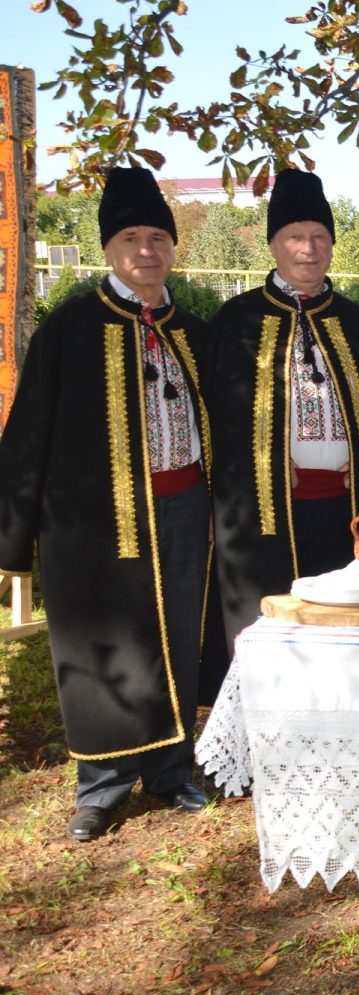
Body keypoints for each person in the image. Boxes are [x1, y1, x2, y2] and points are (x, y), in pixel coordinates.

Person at [0, 168, 216, 839]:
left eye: (158, 237)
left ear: (173, 248)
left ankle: (171, 770)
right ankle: (100, 784)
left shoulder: (192, 330)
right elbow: (29, 431)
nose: (147, 250)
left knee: (177, 638)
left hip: (185, 510)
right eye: (131, 237)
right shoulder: (70, 328)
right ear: (108, 248)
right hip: (97, 525)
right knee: (103, 645)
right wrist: (14, 535)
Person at [204, 168, 359, 648]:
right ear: (274, 244)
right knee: (272, 631)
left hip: (349, 509)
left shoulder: (357, 322)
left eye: (319, 236)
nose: (308, 248)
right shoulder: (236, 321)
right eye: (295, 236)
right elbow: (213, 420)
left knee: (348, 626)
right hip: (264, 514)